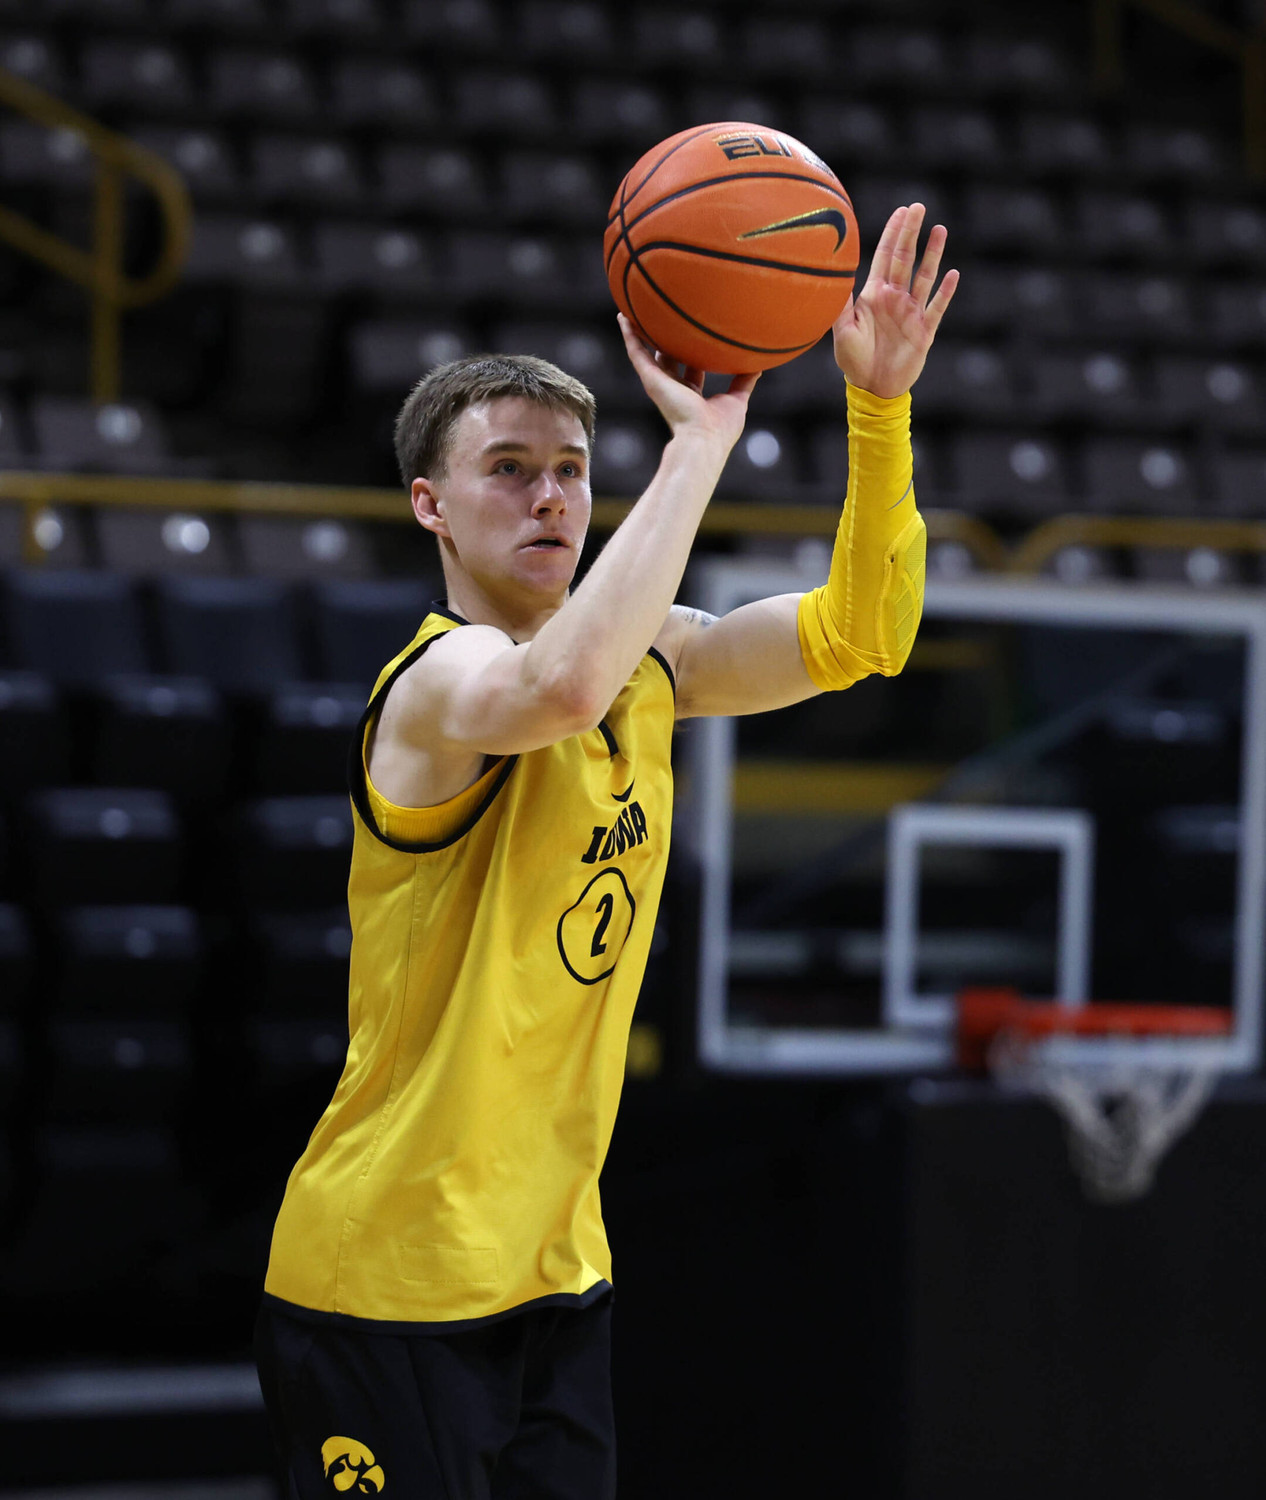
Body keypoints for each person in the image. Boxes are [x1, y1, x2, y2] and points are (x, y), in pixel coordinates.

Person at [254, 203, 957, 1498]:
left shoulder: (650, 657)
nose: (550, 495)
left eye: (572, 469)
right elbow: (557, 688)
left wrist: (877, 409)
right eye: (509, 468)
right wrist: (702, 443)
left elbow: (863, 633)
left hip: (555, 1269)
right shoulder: (435, 685)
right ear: (430, 506)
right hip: (390, 1277)